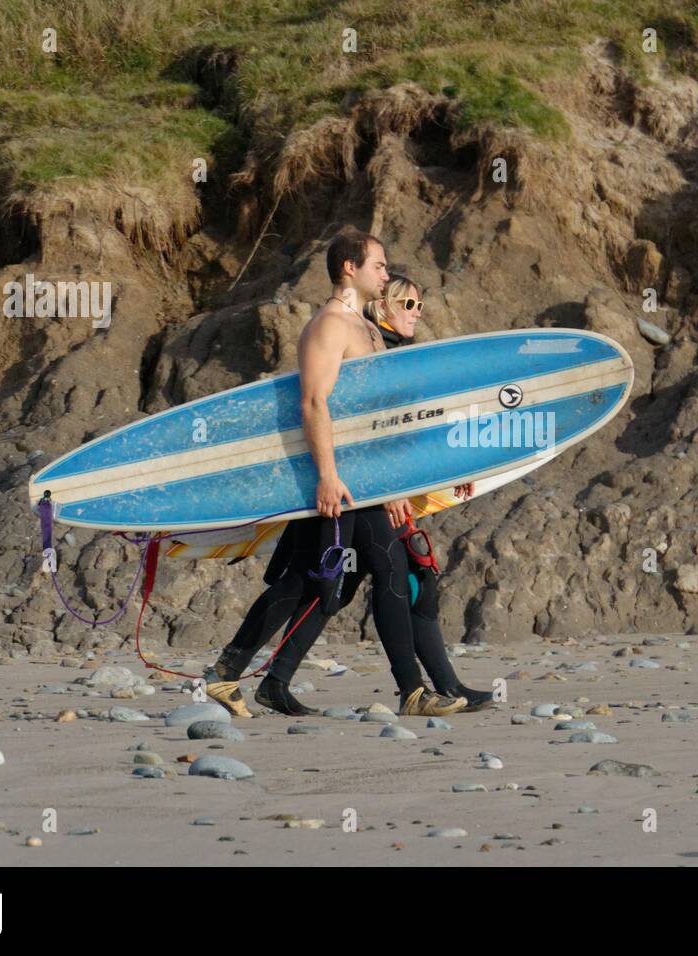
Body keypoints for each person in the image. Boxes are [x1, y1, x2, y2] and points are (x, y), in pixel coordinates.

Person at [204, 229, 465, 719]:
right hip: (341, 479)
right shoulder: (329, 326)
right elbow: (313, 401)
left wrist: (395, 479)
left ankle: (227, 674)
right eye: (379, 266)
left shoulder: (364, 328)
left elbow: (376, 416)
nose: (386, 274)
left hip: (364, 477)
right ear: (349, 267)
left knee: (309, 582)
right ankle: (411, 692)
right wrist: (326, 475)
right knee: (382, 570)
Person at [261, 274, 495, 712]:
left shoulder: (397, 354)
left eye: (420, 306)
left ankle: (273, 678)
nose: (417, 313)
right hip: (361, 487)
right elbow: (367, 428)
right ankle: (417, 690)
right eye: (408, 304)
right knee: (374, 579)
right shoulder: (369, 351)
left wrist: (445, 472)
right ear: (383, 305)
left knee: (346, 587)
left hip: (382, 486)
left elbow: (413, 427)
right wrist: (388, 485)